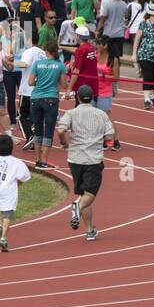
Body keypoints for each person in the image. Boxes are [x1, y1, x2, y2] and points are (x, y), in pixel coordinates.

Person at [56, 85, 114, 242]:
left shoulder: (71, 113)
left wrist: (64, 142)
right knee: (90, 194)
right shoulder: (101, 114)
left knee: (84, 194)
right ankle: (77, 208)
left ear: (78, 98)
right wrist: (105, 143)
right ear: (92, 97)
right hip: (93, 159)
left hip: (75, 159)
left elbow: (61, 130)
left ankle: (89, 230)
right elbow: (110, 136)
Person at [28, 37, 67, 170]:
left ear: (46, 51)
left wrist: (40, 80)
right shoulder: (60, 65)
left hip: (35, 98)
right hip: (51, 99)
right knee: (48, 130)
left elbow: (30, 82)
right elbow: (64, 85)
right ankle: (44, 162)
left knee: (38, 130)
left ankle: (38, 161)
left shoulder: (37, 64)